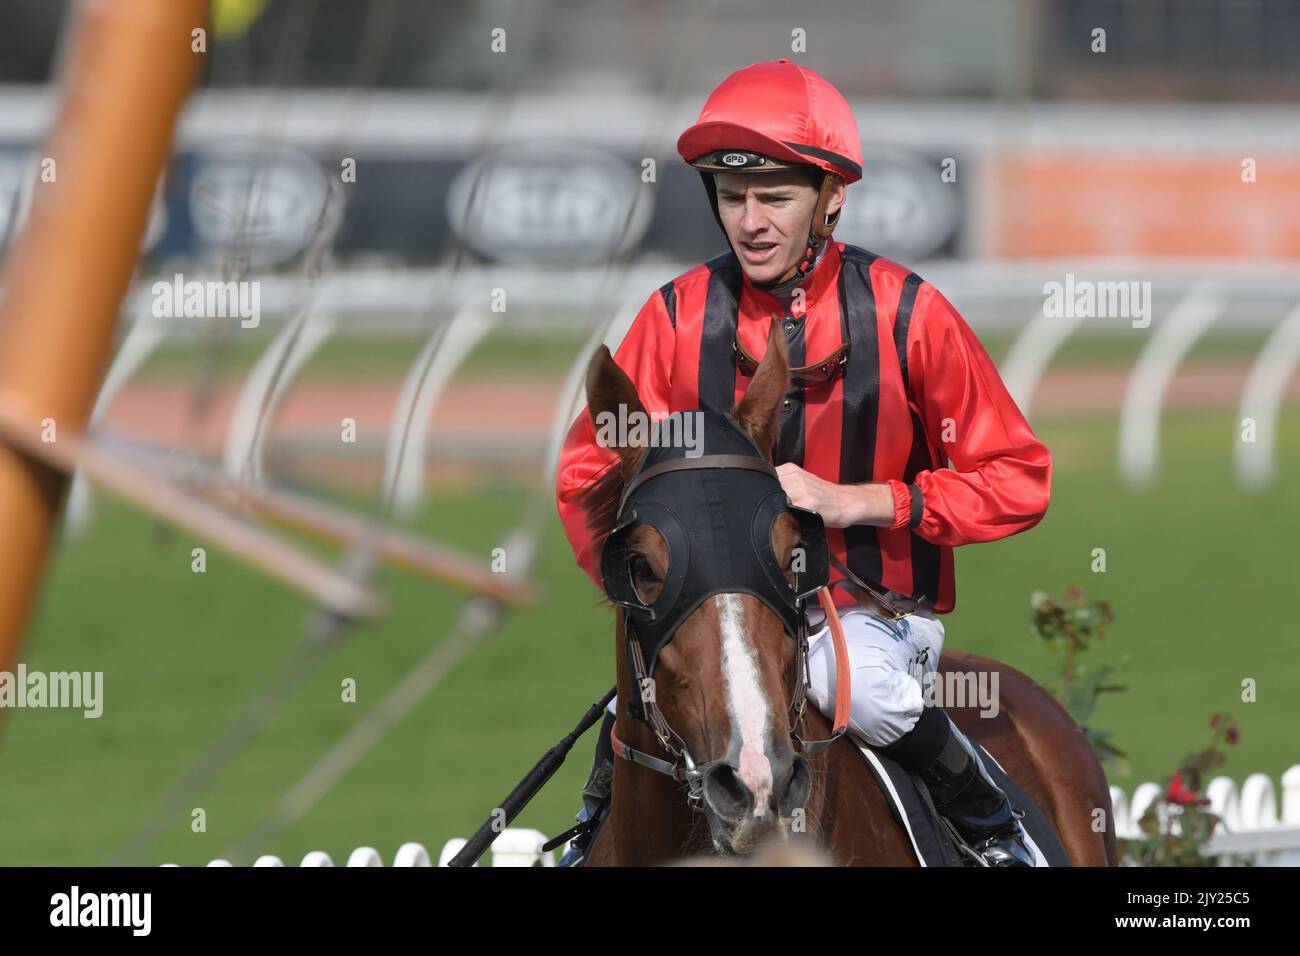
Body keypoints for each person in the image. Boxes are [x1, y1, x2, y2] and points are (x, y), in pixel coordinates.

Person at [553, 59, 1052, 866]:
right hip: (716, 608)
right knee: (644, 705)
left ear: (831, 197)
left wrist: (866, 502)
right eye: (732, 196)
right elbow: (586, 475)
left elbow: (1019, 477)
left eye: (775, 197)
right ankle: (592, 835)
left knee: (868, 694)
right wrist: (652, 595)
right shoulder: (675, 320)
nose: (750, 221)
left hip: (869, 613)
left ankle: (996, 833)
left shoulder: (908, 315)